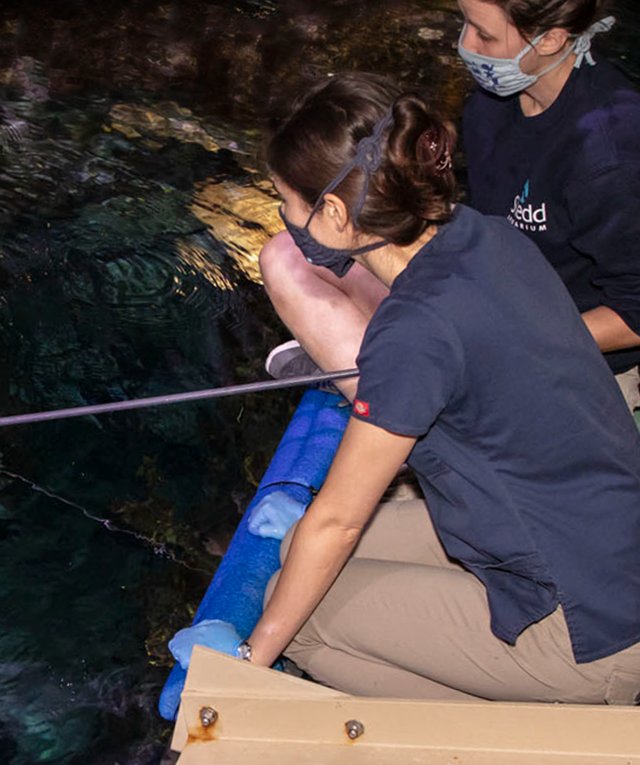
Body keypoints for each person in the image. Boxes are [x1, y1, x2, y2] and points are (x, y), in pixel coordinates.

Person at [171, 72, 640, 702]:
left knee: (301, 625)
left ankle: (519, 722)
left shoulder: (412, 333)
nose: (283, 216)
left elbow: (338, 521)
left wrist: (250, 664)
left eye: (285, 200)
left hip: (591, 629)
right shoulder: (487, 235)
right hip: (598, 536)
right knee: (292, 557)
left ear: (333, 213)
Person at [260, 0, 640, 411]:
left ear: (550, 39)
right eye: (466, 24)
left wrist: (510, 342)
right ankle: (385, 385)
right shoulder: (495, 101)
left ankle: (400, 415)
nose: (466, 45)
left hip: (567, 355)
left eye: (485, 35)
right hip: (484, 298)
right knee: (287, 257)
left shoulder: (609, 153)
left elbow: (635, 314)